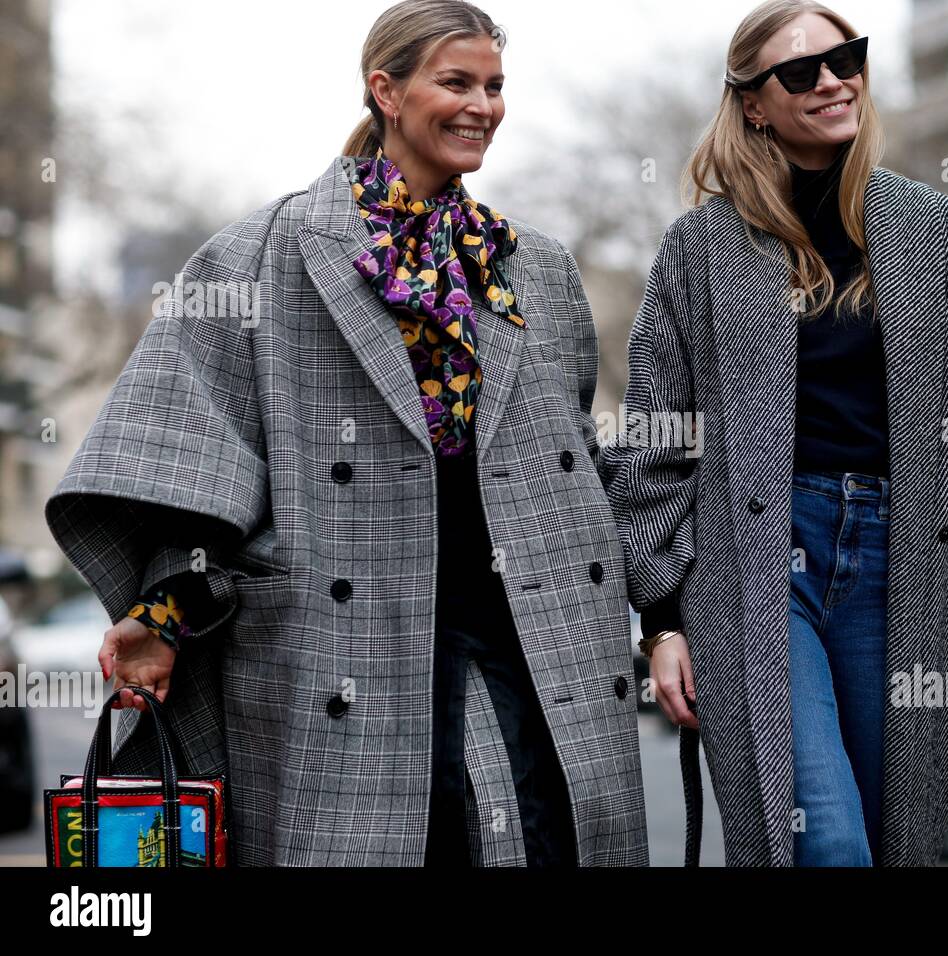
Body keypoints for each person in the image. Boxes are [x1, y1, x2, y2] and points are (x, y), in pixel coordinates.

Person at [45, 0, 647, 867]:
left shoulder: (533, 268)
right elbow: (193, 455)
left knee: (542, 833)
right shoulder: (259, 257)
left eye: (495, 85)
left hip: (531, 623)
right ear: (386, 91)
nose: (484, 105)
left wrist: (663, 614)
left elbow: (575, 457)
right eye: (457, 82)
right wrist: (161, 612)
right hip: (342, 638)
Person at [598, 0, 948, 867]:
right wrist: (661, 622)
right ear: (752, 104)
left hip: (909, 561)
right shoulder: (698, 251)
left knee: (898, 836)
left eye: (845, 57)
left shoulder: (937, 233)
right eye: (800, 70)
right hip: (759, 564)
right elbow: (659, 445)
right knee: (822, 836)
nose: (832, 80)